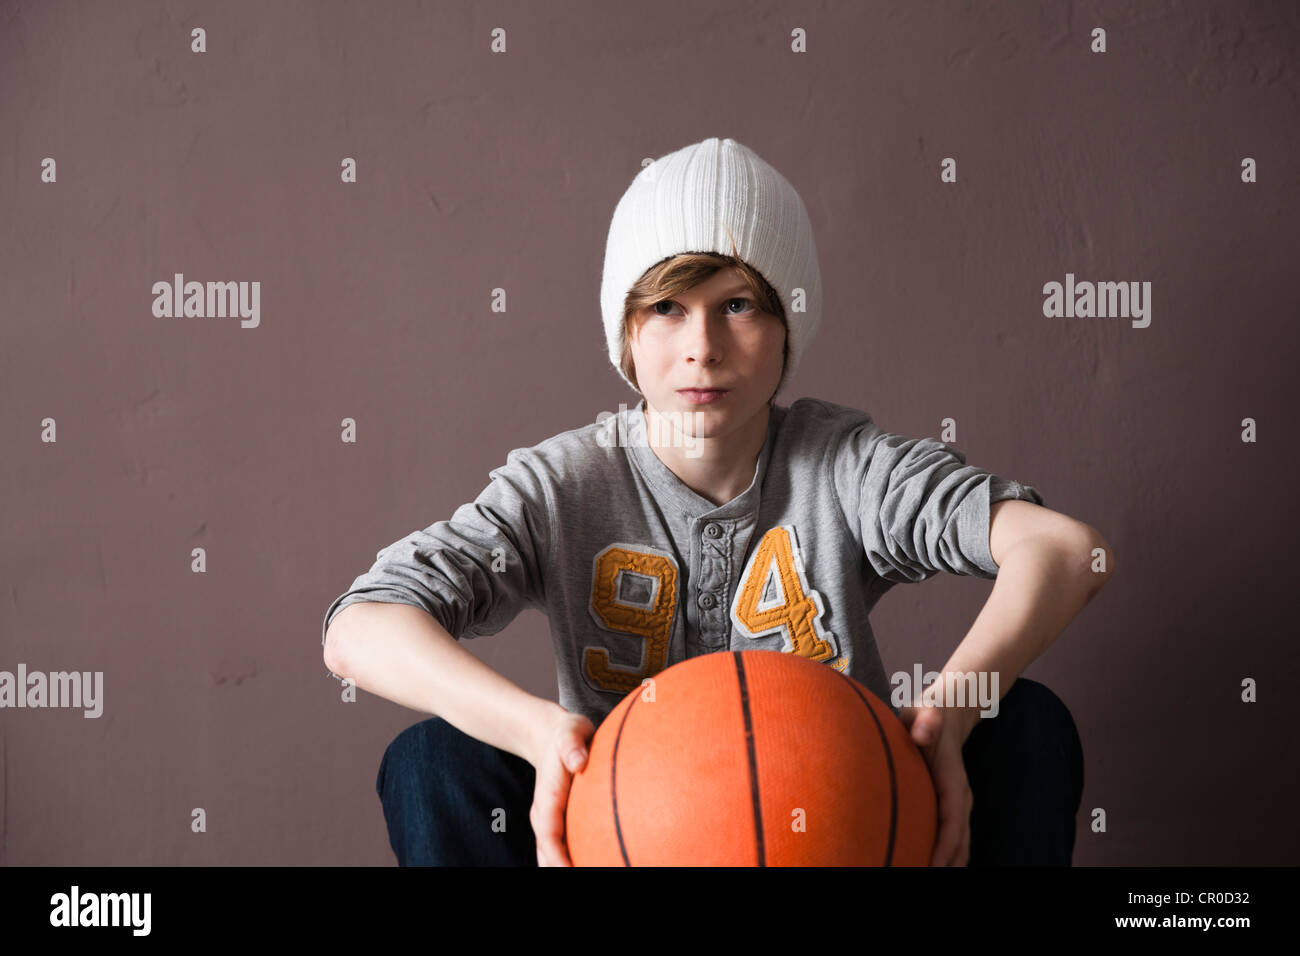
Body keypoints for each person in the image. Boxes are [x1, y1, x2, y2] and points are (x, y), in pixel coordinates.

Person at [321, 137, 1106, 867]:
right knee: (433, 761)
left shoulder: (847, 467)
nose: (702, 345)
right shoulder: (565, 485)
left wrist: (950, 712)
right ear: (625, 333)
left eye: (739, 304)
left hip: (836, 833)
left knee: (1025, 723)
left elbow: (1067, 550)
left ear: (787, 326)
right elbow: (360, 629)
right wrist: (535, 731)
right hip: (627, 837)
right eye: (666, 307)